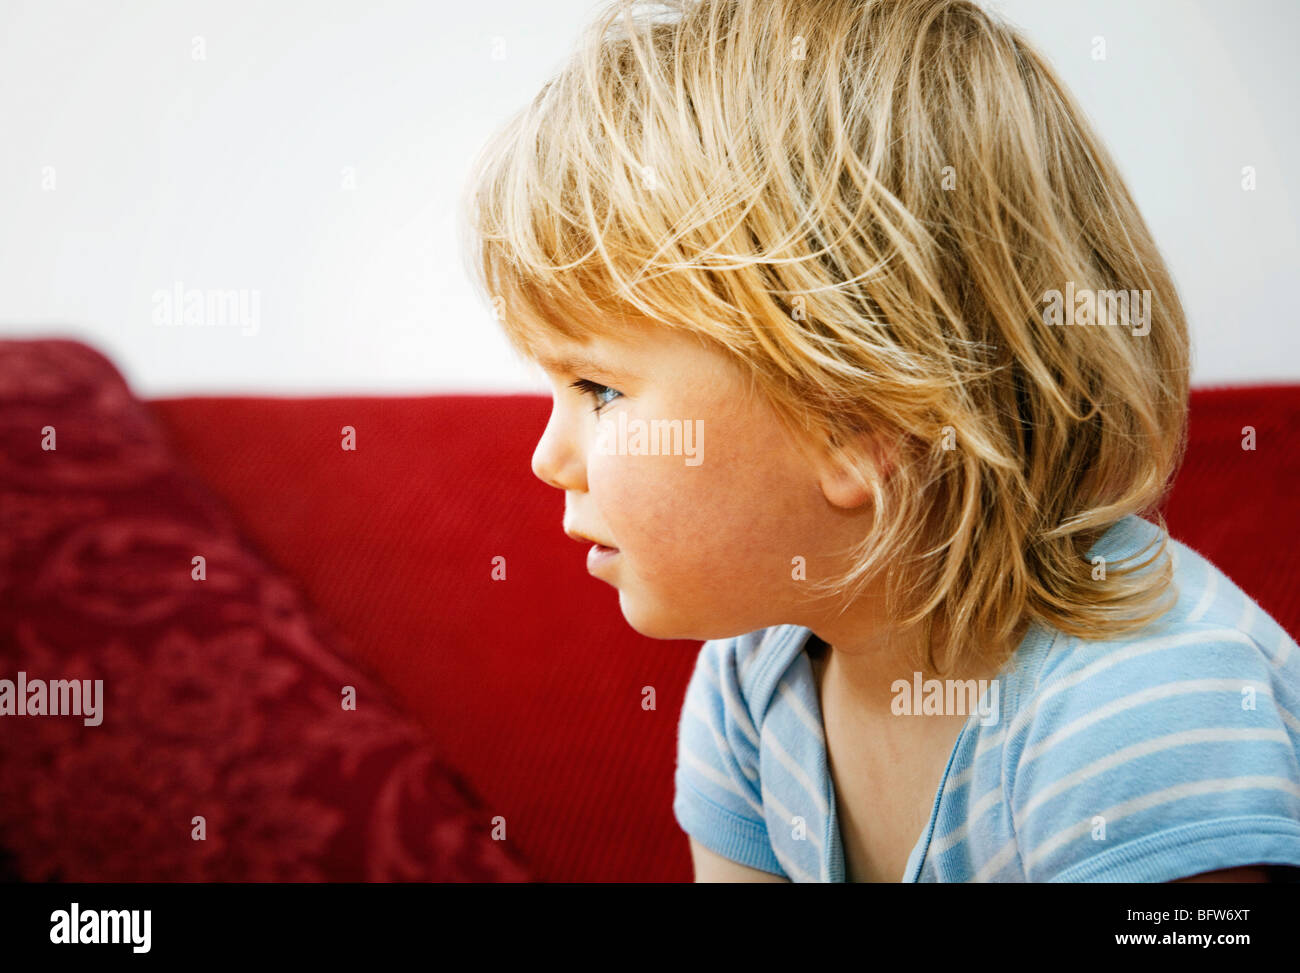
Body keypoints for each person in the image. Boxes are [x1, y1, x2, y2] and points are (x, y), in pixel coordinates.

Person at [459, 0, 1300, 882]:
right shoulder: (755, 687)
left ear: (858, 421)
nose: (547, 457)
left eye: (599, 387)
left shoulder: (1137, 711)